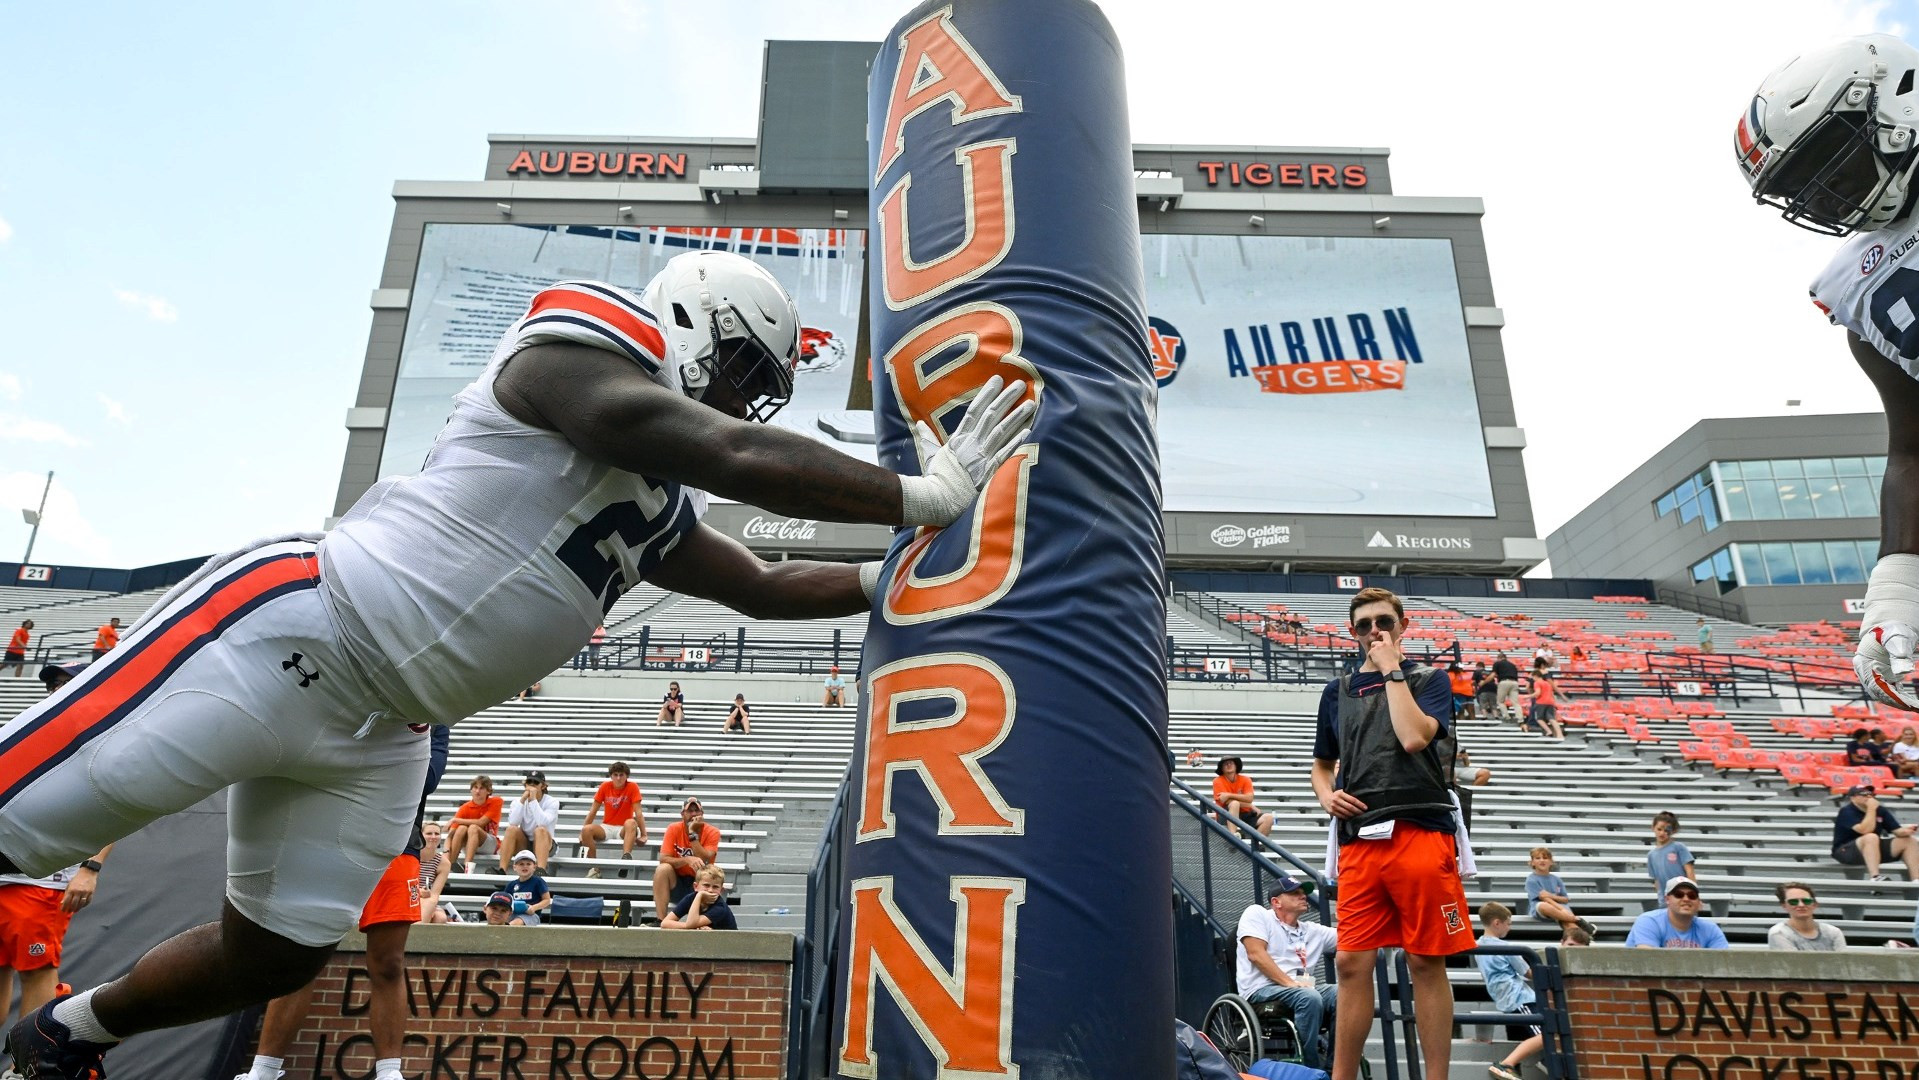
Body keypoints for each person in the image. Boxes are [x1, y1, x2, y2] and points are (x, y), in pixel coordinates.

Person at [0, 249, 1037, 1077]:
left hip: (385, 737)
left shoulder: (657, 510)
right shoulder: (582, 343)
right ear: (686, 322)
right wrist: (913, 497)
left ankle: (65, 1037)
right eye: (740, 372)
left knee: (278, 951)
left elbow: (763, 583)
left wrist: (894, 579)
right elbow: (712, 449)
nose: (740, 402)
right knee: (13, 820)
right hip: (300, 628)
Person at [1311, 587, 1474, 1080]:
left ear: (1403, 624)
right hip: (1360, 838)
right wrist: (1325, 795)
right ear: (1353, 632)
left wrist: (1390, 670)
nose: (1374, 631)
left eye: (1384, 621)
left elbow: (1412, 736)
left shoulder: (1430, 680)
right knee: (1350, 965)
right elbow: (1321, 765)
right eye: (1364, 625)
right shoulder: (1335, 691)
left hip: (1420, 831)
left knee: (1425, 963)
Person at [235, 724, 449, 1080]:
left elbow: (421, 779)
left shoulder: (433, 725)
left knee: (388, 963)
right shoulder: (359, 704)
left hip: (395, 846)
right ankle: (264, 1071)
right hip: (329, 839)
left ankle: (389, 1072)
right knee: (301, 957)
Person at [0, 665, 111, 1045]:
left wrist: (90, 868)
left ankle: (27, 1065)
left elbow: (112, 811)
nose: (53, 691)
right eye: (51, 684)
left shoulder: (96, 740)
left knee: (37, 972)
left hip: (42, 878)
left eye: (63, 684)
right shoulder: (30, 734)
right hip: (4, 872)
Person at [1234, 876, 1338, 1070]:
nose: (1303, 896)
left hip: (1301, 990)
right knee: (1309, 996)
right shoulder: (1257, 915)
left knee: (1343, 993)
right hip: (1262, 990)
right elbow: (1256, 954)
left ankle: (1335, 1069)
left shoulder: (1312, 930)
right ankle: (1311, 1069)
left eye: (1303, 893)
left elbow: (1349, 937)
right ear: (1276, 902)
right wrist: (1289, 982)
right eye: (1295, 893)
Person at [1475, 903, 1545, 1080]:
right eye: (1508, 922)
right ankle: (1506, 1065)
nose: (1510, 927)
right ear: (1497, 923)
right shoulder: (1507, 947)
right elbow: (1528, 972)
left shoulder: (1477, 946)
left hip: (1505, 1001)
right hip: (1521, 999)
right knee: (1547, 1035)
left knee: (1523, 1040)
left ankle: (1520, 1067)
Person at [653, 797, 721, 925]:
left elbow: (706, 857)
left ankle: (702, 923)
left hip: (701, 883)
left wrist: (692, 833)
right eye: (690, 811)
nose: (694, 814)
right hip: (678, 881)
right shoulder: (673, 828)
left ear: (702, 814)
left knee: (708, 878)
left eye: (697, 811)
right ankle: (660, 919)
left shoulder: (713, 832)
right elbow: (663, 858)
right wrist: (686, 860)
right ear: (682, 814)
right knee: (662, 869)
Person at [1832, 783, 1919, 881]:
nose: (1868, 796)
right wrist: (1871, 808)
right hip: (1845, 851)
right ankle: (1875, 876)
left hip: (1872, 849)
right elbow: (1865, 830)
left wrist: (1907, 831)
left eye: (1870, 794)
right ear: (1853, 798)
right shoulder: (1847, 811)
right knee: (1871, 837)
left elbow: (1897, 831)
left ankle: (1916, 880)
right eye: (1863, 794)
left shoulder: (1880, 810)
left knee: (1909, 841)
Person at [576, 761, 645, 880]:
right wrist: (581, 833)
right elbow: (593, 811)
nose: (618, 778)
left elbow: (638, 812)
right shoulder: (605, 786)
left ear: (626, 776)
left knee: (631, 822)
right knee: (586, 830)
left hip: (624, 828)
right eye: (615, 775)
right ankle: (595, 868)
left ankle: (625, 860)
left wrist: (644, 834)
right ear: (611, 776)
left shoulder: (632, 787)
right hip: (607, 826)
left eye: (621, 775)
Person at [1626, 879, 1730, 949]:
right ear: (1667, 899)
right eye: (1679, 895)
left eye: (1692, 895)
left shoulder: (1710, 929)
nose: (1686, 899)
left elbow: (1724, 962)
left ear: (1698, 902)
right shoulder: (1649, 921)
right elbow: (1648, 960)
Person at [1525, 846, 1596, 938]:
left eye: (1545, 858)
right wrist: (1562, 910)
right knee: (1543, 905)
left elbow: (1565, 899)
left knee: (1568, 924)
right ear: (1532, 862)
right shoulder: (1531, 879)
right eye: (1538, 858)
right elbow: (1544, 898)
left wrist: (1552, 896)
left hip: (1560, 909)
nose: (1542, 860)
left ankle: (1583, 939)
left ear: (1551, 862)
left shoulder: (1556, 879)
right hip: (1543, 909)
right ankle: (1577, 920)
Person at [498, 771, 560, 874]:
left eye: (535, 782)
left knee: (540, 830)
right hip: (525, 842)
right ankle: (502, 870)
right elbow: (513, 822)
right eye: (529, 782)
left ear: (543, 786)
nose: (532, 785)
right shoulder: (517, 801)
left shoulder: (552, 802)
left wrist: (533, 800)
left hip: (546, 843)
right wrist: (523, 800)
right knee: (511, 829)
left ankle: (541, 870)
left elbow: (542, 822)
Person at [446, 776, 503, 876]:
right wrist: (446, 851)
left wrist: (455, 819)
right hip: (469, 844)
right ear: (471, 790)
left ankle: (468, 868)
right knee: (461, 828)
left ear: (488, 791)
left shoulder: (496, 802)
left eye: (481, 788)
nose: (477, 791)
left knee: (473, 828)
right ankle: (451, 865)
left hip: (489, 844)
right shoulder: (465, 807)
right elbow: (451, 834)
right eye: (475, 787)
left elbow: (481, 822)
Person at [1768, 881, 1847, 952]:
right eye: (1793, 901)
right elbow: (1793, 964)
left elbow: (1843, 962)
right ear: (1784, 906)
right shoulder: (1779, 933)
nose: (1801, 905)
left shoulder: (1833, 932)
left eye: (1806, 901)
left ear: (1815, 904)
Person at [1211, 756, 1274, 839]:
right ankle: (1233, 837)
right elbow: (1225, 801)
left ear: (1236, 766)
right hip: (1225, 814)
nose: (1229, 765)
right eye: (1226, 764)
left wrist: (1229, 795)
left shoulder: (1245, 779)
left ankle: (1255, 844)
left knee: (1269, 818)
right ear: (1222, 768)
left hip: (1245, 814)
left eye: (1231, 763)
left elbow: (1249, 798)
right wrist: (1249, 805)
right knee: (1234, 804)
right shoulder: (1218, 781)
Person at [662, 865, 737, 931]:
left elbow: (691, 924)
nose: (710, 890)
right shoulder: (690, 898)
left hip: (727, 942)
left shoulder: (720, 907)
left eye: (715, 887)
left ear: (721, 890)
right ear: (695, 886)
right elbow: (665, 923)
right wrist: (690, 926)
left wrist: (692, 925)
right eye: (706, 885)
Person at [1647, 811, 1697, 900]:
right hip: (1665, 899)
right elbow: (1656, 880)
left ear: (1673, 831)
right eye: (1659, 829)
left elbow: (1690, 872)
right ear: (1653, 828)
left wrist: (1692, 895)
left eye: (1667, 830)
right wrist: (1661, 897)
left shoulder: (1678, 847)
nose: (1662, 833)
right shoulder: (1651, 855)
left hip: (1682, 897)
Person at [501, 851, 551, 927]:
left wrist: (534, 908)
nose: (525, 866)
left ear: (534, 867)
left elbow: (547, 900)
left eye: (528, 864)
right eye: (521, 864)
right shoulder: (511, 885)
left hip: (531, 915)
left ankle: (506, 929)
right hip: (513, 913)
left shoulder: (538, 882)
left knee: (518, 921)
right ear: (515, 867)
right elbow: (505, 901)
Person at [417, 821, 450, 924]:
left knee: (440, 918)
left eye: (437, 834)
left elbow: (435, 894)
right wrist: (418, 892)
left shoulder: (443, 862)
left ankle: (419, 930)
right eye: (429, 833)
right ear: (421, 836)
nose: (433, 836)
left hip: (427, 898)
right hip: (406, 895)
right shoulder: (411, 856)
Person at [1527, 668, 1565, 740]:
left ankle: (1549, 731)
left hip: (1541, 702)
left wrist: (1528, 696)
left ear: (1535, 676)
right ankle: (1560, 735)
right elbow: (1552, 693)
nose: (1533, 679)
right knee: (1552, 719)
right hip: (1550, 702)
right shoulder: (1547, 683)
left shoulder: (1537, 683)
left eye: (1533, 677)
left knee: (1539, 719)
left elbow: (1537, 693)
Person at [1491, 652, 1521, 722]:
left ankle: (1506, 717)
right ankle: (1520, 718)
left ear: (1499, 658)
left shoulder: (1498, 663)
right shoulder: (1513, 665)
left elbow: (1493, 674)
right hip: (1514, 682)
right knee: (1515, 703)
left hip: (1504, 681)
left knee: (1500, 701)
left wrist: (1485, 682)